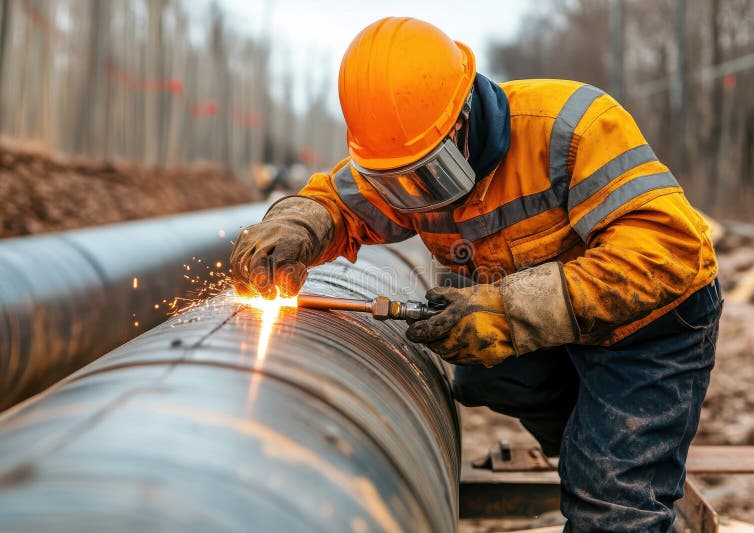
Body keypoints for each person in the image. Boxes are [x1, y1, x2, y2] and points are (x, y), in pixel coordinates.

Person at [230, 17, 721, 530]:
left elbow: (669, 250)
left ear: (463, 120)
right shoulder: (404, 158)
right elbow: (341, 200)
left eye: (428, 174)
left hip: (649, 329)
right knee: (488, 373)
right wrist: (298, 226)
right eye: (397, 181)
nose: (417, 196)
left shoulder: (573, 128)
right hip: (558, 323)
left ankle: (614, 465)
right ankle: (592, 440)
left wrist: (507, 312)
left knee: (611, 500)